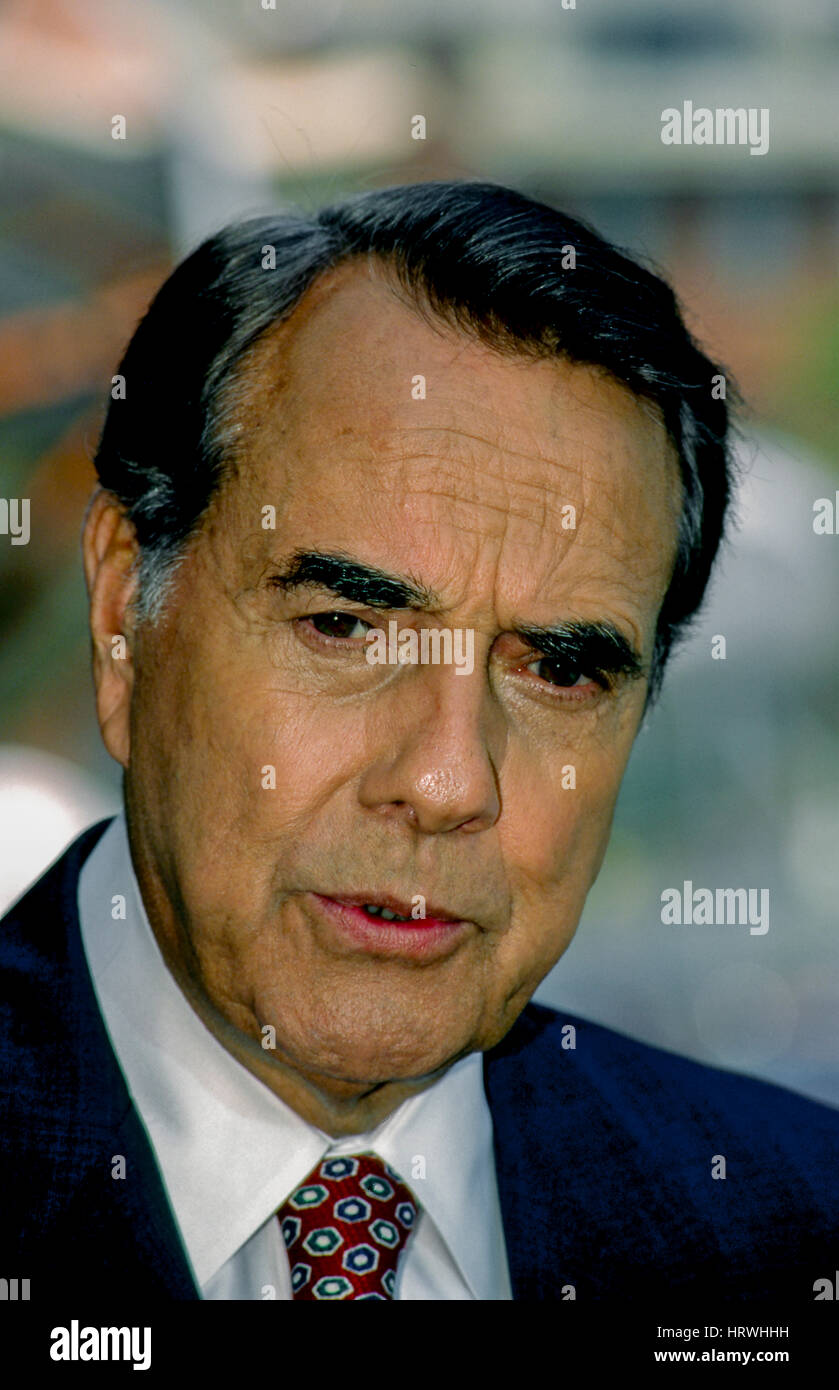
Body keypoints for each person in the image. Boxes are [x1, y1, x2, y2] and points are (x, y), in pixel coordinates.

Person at [1, 181, 837, 1303]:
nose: (447, 779)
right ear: (121, 620)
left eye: (556, 669)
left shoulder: (792, 1228)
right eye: (344, 628)